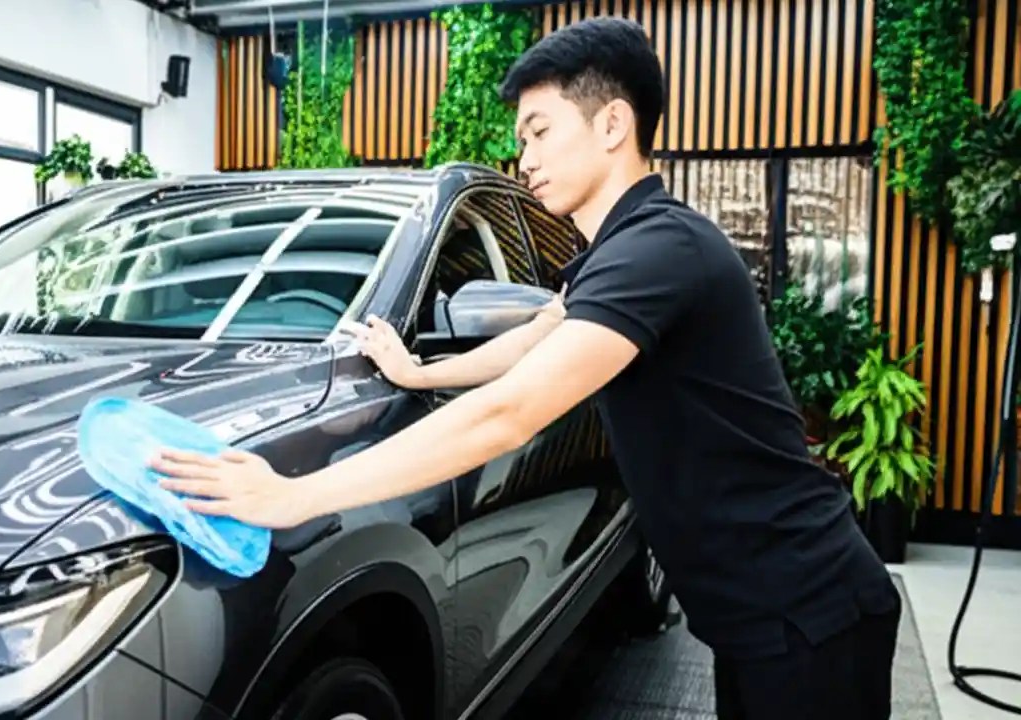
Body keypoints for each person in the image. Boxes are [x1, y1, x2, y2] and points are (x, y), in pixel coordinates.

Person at [150, 16, 901, 720]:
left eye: (540, 132)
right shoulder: (616, 255)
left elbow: (512, 411)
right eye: (521, 138)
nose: (526, 158)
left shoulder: (660, 250)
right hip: (760, 614)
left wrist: (293, 496)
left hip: (809, 613)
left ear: (613, 124)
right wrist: (418, 374)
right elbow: (542, 331)